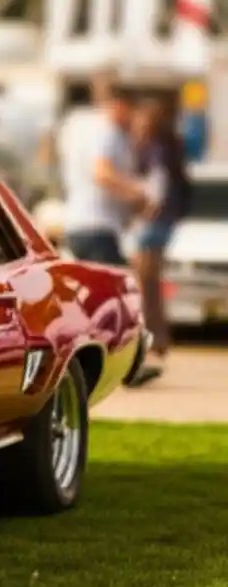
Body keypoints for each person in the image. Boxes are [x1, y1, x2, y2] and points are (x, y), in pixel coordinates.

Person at [58, 77, 151, 266]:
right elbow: (102, 174)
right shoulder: (107, 131)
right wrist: (138, 194)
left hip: (80, 225)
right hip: (98, 228)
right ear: (120, 105)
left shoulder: (81, 126)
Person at [131, 97, 190, 380]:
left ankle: (152, 337)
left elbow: (158, 185)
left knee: (145, 281)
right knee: (150, 281)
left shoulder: (155, 149)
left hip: (154, 221)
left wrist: (146, 211)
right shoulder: (168, 148)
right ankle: (159, 337)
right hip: (164, 221)